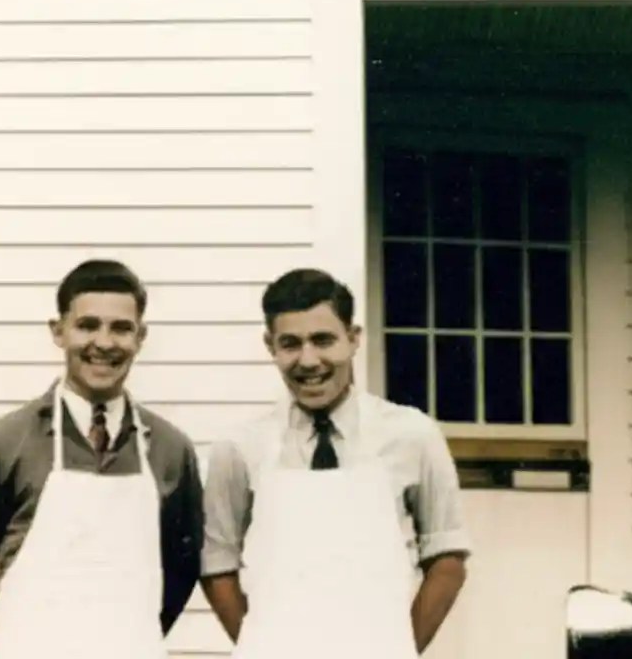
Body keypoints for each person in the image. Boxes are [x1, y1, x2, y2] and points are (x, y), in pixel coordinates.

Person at [0, 259, 204, 659]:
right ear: (58, 332)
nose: (105, 343)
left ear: (141, 336)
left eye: (121, 328)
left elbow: (181, 572)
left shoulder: (170, 449)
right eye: (87, 325)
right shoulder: (1, 442)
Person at [200, 268, 471, 659]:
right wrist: (258, 645)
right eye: (290, 344)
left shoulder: (412, 434)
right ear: (270, 346)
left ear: (353, 339)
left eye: (323, 340)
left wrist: (401, 648)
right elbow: (217, 563)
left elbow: (447, 557)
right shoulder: (241, 447)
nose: (308, 360)